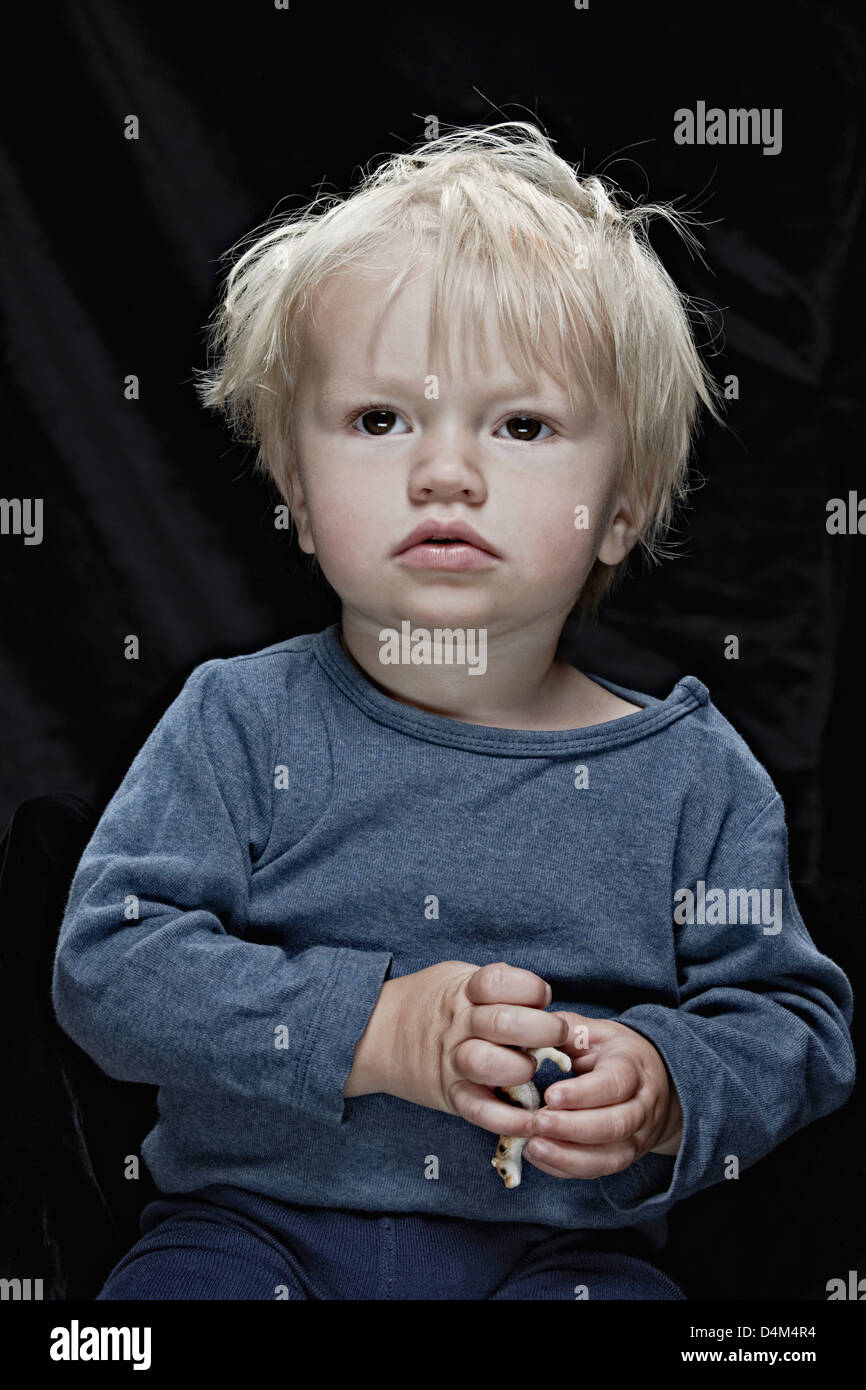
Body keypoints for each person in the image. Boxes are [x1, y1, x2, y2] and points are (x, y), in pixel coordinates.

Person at [52, 122, 855, 1301]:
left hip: (560, 1257)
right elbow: (109, 969)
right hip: (251, 1232)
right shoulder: (237, 723)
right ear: (299, 494)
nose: (444, 471)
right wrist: (372, 1034)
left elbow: (792, 1020)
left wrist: (669, 1079)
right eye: (379, 421)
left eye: (520, 427)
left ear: (621, 507)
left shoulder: (691, 777)